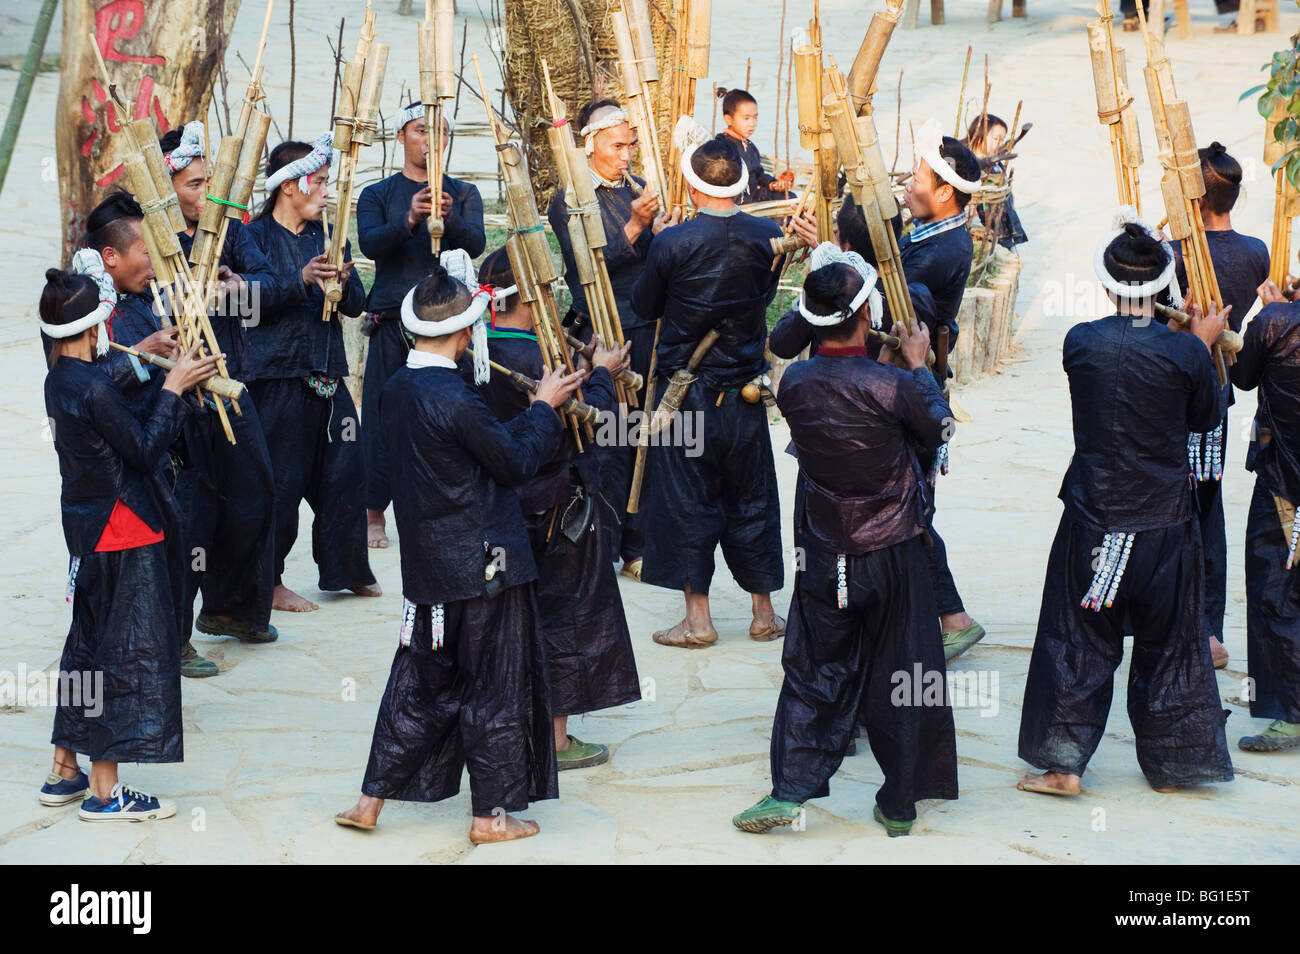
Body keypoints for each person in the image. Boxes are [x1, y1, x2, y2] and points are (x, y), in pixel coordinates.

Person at [334, 256, 585, 843]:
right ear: (467, 330)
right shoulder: (455, 398)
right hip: (485, 568)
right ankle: (489, 818)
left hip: (428, 571)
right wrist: (545, 406)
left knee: (418, 682)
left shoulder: (396, 388)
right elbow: (515, 462)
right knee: (495, 685)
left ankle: (370, 802)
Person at [734, 249, 958, 837]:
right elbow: (938, 429)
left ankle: (789, 790)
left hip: (826, 549)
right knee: (904, 672)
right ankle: (900, 803)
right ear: (866, 317)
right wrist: (918, 364)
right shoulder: (893, 384)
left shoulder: (798, 384)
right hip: (895, 549)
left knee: (812, 669)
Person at [1017, 212, 1234, 796]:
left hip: (1093, 518)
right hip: (1164, 523)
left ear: (1108, 285)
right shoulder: (1185, 353)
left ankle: (1064, 767)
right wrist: (1201, 346)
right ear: (1163, 287)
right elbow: (1207, 418)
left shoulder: (1079, 342)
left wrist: (1188, 343)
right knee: (1172, 644)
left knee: (1077, 640)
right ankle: (1180, 767)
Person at [38, 262, 220, 820]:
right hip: (123, 531)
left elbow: (106, 400)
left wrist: (145, 361)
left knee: (86, 649)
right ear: (95, 330)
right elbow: (142, 449)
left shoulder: (62, 379)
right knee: (123, 654)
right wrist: (173, 386)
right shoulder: (92, 385)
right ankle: (104, 791)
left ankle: (64, 769)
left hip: (88, 532)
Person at [473, 247, 642, 768]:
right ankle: (556, 738)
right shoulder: (540, 361)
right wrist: (602, 374)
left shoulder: (474, 350)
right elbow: (592, 424)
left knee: (501, 615)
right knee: (565, 616)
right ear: (531, 293)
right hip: (553, 505)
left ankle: (497, 725)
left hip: (493, 506)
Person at [632, 124, 796, 648]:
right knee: (753, 498)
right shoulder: (762, 238)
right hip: (746, 393)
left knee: (687, 501)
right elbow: (765, 293)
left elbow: (644, 307)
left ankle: (698, 622)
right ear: (741, 185)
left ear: (692, 186)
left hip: (688, 398)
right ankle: (764, 614)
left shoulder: (672, 241)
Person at [244, 136, 380, 613]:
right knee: (279, 483)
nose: (326, 191)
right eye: (319, 182)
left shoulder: (330, 231)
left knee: (346, 471)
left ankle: (347, 570)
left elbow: (358, 306)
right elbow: (250, 303)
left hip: (327, 373)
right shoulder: (251, 237)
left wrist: (342, 282)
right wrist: (300, 281)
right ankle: (268, 581)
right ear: (289, 187)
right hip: (275, 376)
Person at [160, 122, 281, 655]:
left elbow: (269, 282)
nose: (203, 194)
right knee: (190, 514)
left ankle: (232, 608)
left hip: (229, 385)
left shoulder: (229, 228)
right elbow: (144, 306)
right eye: (192, 184)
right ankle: (175, 637)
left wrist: (238, 290)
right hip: (179, 394)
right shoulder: (150, 239)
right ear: (166, 189)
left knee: (255, 492)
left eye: (209, 183)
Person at [547, 98, 677, 579]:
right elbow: (587, 265)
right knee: (612, 435)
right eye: (616, 145)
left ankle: (645, 537)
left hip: (646, 327)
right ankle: (620, 542)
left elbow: (651, 255)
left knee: (650, 433)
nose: (626, 155)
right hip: (605, 333)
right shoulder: (570, 200)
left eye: (631, 145)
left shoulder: (637, 186)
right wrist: (640, 225)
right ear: (590, 144)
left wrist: (662, 232)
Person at [356, 104, 486, 549]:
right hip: (393, 319)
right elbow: (372, 245)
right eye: (420, 130)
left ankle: (447, 508)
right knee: (378, 418)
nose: (431, 140)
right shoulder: (377, 194)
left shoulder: (463, 192)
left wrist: (448, 219)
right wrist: (410, 218)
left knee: (448, 416)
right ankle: (375, 514)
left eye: (441, 132)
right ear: (401, 138)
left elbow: (477, 244)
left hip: (448, 328)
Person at [1172, 142, 1270, 670]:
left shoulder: (1174, 253)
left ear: (1194, 196)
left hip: (1171, 396)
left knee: (1172, 503)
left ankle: (1176, 623)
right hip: (1219, 396)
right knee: (1208, 507)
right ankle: (1210, 629)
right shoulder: (1257, 251)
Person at [901, 118, 985, 662]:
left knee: (910, 509)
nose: (908, 184)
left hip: (915, 382)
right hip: (913, 380)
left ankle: (953, 617)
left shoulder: (942, 252)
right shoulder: (928, 234)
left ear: (945, 192)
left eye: (917, 177)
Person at [1225, 277, 1300, 751]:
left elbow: (1242, 376)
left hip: (1283, 483)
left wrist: (1266, 318)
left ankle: (1289, 712)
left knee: (1275, 592)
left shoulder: (1276, 322)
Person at [715, 88, 793, 205]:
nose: (752, 123)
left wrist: (772, 184)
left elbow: (759, 174)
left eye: (755, 118)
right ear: (728, 119)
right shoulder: (723, 146)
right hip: (739, 201)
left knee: (790, 197)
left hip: (756, 196)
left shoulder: (750, 146)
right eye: (746, 118)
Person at [964, 112, 1028, 250]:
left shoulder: (995, 159)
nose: (999, 143)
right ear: (979, 135)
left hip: (1002, 221)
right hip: (982, 226)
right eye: (996, 138)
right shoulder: (969, 164)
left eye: (1002, 139)